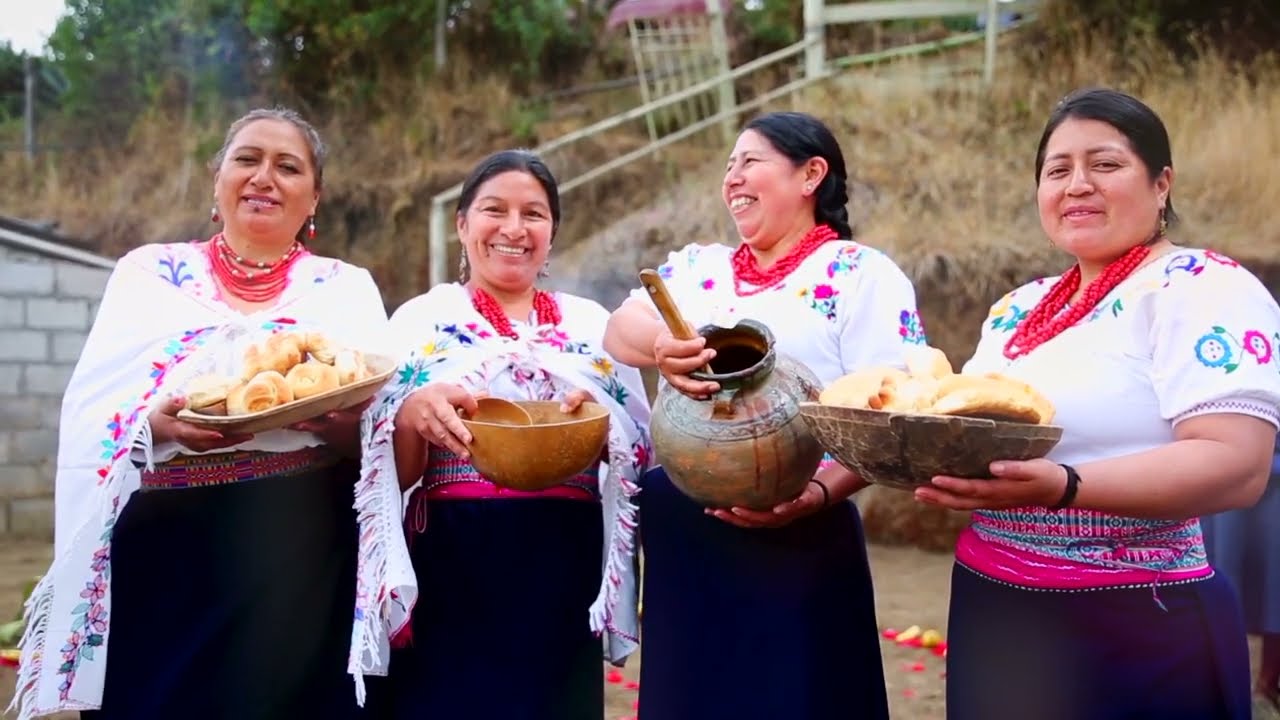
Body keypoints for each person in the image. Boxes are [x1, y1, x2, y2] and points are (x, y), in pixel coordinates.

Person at [9, 107, 404, 720]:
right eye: (247, 159)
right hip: (164, 550)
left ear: (314, 198)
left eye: (288, 166)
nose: (264, 177)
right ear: (216, 179)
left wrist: (346, 426)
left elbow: (384, 429)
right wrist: (156, 426)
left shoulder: (344, 288)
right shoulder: (148, 277)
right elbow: (92, 412)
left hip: (303, 552)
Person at [916, 87, 1280, 720]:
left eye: (1105, 164)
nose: (1077, 184)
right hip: (995, 610)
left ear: (1161, 183)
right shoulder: (1016, 309)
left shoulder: (1204, 289)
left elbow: (1238, 465)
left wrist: (1062, 485)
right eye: (1058, 170)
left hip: (1136, 619)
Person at [604, 111, 919, 719]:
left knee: (799, 696)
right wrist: (664, 348)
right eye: (729, 167)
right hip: (685, 526)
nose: (734, 178)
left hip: (800, 524)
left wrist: (820, 494)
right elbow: (621, 328)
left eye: (750, 162)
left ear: (811, 175)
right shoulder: (699, 268)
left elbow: (893, 414)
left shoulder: (859, 276)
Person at [360, 149, 652, 720]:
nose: (514, 229)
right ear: (463, 225)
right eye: (495, 210)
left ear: (553, 232)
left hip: (562, 558)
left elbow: (639, 442)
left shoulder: (593, 324)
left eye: (534, 214)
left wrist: (597, 424)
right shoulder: (422, 320)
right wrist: (413, 412)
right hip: (453, 556)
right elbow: (382, 471)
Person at [1202, 437, 1280, 715]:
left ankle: (1266, 686)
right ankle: (1227, 683)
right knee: (1222, 583)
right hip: (1226, 474)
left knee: (1274, 586)